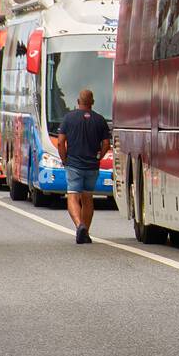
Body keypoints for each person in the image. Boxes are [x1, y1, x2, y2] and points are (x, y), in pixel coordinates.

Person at [54, 89, 111, 244]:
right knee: (87, 198)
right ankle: (85, 231)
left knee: (72, 196)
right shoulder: (100, 120)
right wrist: (99, 157)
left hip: (74, 164)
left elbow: (60, 142)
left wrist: (64, 159)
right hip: (92, 166)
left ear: (78, 102)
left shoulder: (68, 118)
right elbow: (106, 143)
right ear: (92, 103)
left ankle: (80, 226)